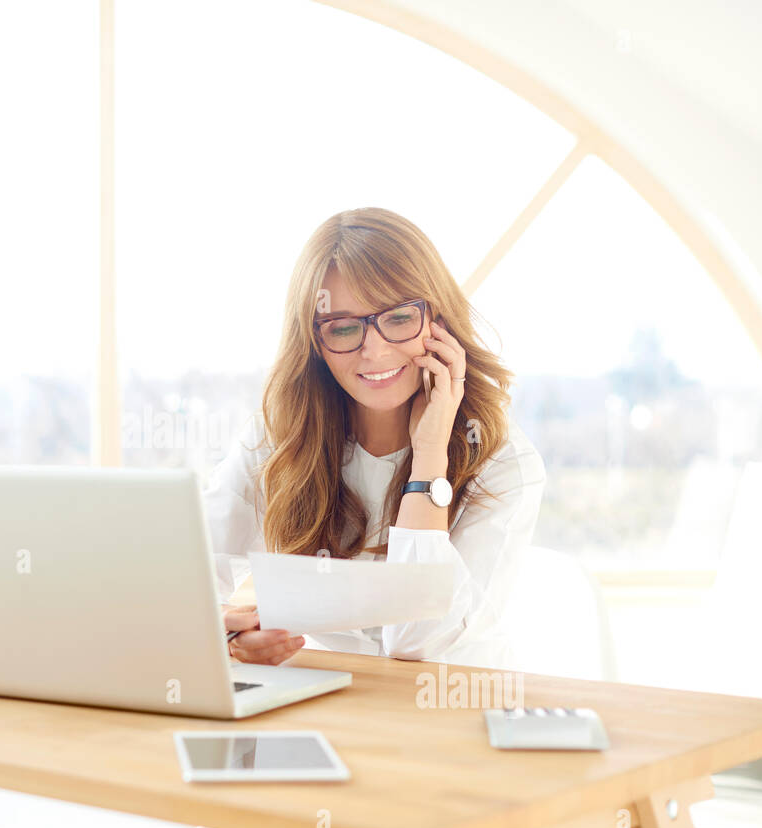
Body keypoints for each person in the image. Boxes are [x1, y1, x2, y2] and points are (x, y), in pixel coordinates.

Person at [203, 207, 546, 669]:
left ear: (437, 321)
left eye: (400, 318)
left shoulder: (503, 463)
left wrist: (428, 459)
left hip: (455, 715)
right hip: (329, 706)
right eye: (343, 327)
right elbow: (182, 587)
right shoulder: (276, 440)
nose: (376, 350)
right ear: (314, 343)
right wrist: (226, 631)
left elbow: (420, 642)